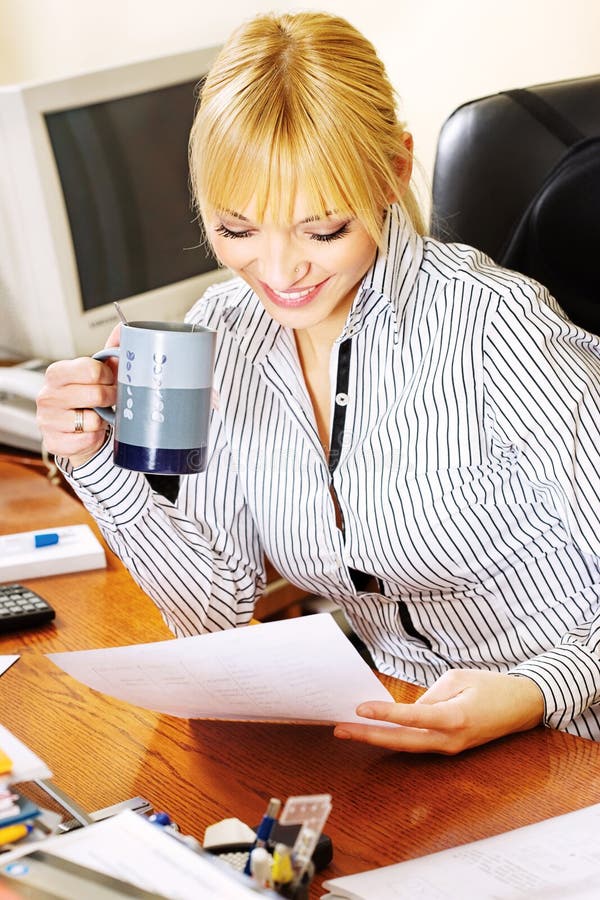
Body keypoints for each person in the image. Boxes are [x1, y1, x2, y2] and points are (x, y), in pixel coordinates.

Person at [37, 11, 600, 754]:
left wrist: (532, 691)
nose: (278, 273)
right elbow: (212, 610)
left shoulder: (500, 326)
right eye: (238, 230)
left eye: (323, 229)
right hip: (394, 732)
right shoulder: (222, 332)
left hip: (568, 740)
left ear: (394, 170)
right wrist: (98, 463)